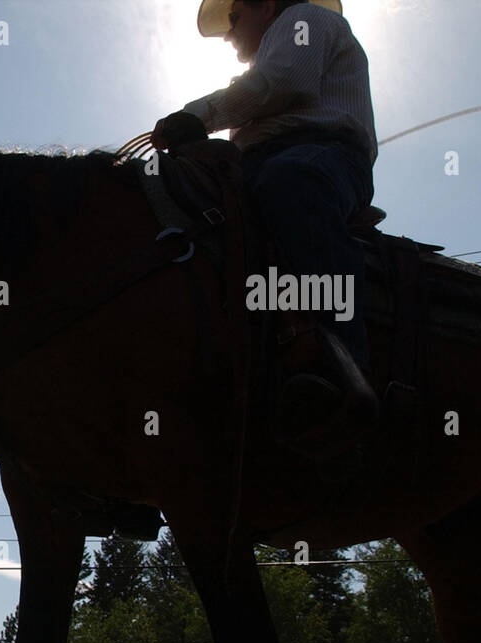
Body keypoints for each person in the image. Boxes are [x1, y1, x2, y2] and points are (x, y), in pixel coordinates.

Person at [151, 0, 378, 450]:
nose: (229, 33)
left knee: (291, 184)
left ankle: (342, 362)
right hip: (259, 164)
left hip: (322, 155)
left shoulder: (306, 21)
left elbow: (282, 83)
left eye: (234, 19)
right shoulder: (263, 61)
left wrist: (196, 116)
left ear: (267, 6)